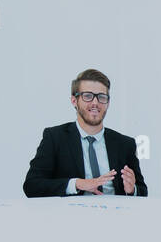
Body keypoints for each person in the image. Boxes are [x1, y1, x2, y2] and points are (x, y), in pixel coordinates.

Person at [23, 69, 147, 198]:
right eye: (87, 96)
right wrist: (77, 184)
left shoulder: (125, 144)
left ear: (108, 103)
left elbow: (142, 191)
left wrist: (132, 190)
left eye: (101, 97)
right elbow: (32, 186)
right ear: (74, 101)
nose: (95, 103)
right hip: (71, 216)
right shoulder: (55, 137)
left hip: (115, 215)